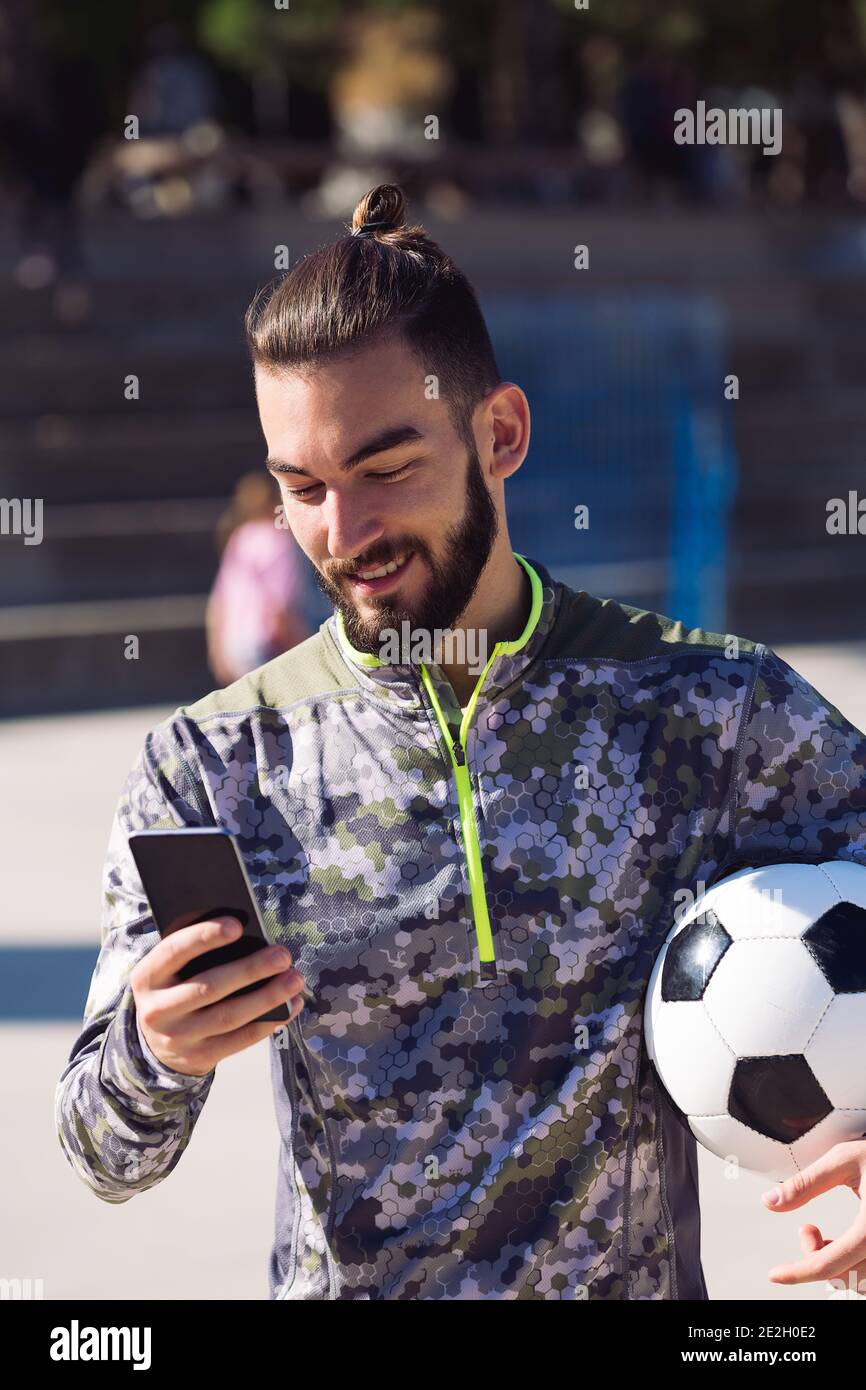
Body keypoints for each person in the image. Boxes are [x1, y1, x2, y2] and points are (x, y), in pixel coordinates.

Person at [55, 184, 866, 1301]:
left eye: (385, 470)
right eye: (302, 488)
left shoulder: (709, 707)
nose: (344, 533)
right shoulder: (213, 768)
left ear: (500, 434)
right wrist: (157, 1051)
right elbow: (102, 1155)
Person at [205, 471, 309, 686]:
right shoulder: (278, 541)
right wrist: (305, 651)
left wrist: (217, 650)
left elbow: (220, 602)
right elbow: (280, 609)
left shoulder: (239, 538)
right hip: (266, 645)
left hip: (235, 644)